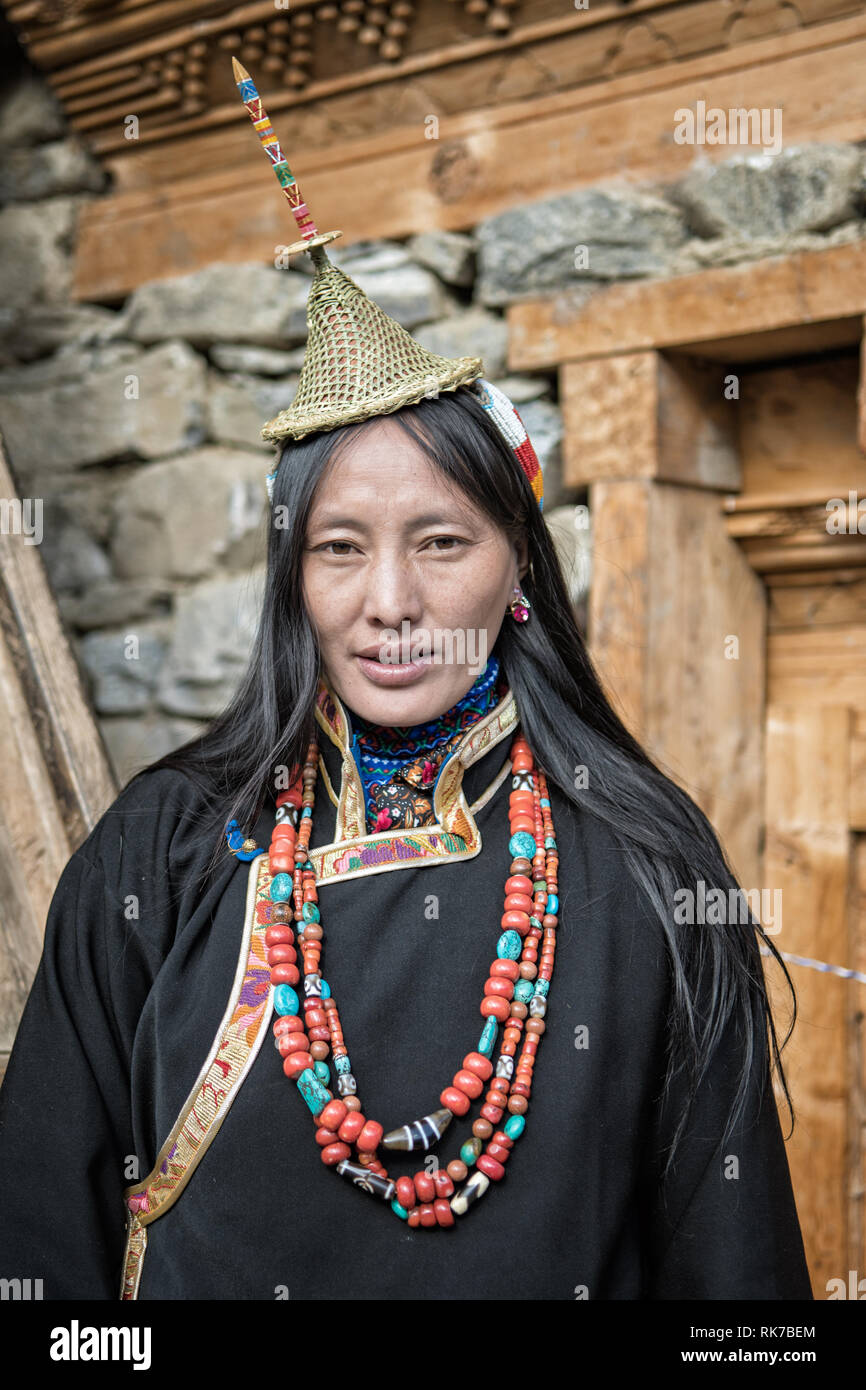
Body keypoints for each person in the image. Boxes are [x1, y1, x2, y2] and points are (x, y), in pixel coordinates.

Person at [0, 63, 813, 1302]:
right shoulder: (160, 855)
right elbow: (41, 1253)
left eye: (440, 541)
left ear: (515, 568)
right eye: (339, 548)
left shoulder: (647, 867)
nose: (389, 601)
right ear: (294, 581)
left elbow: (732, 1283)